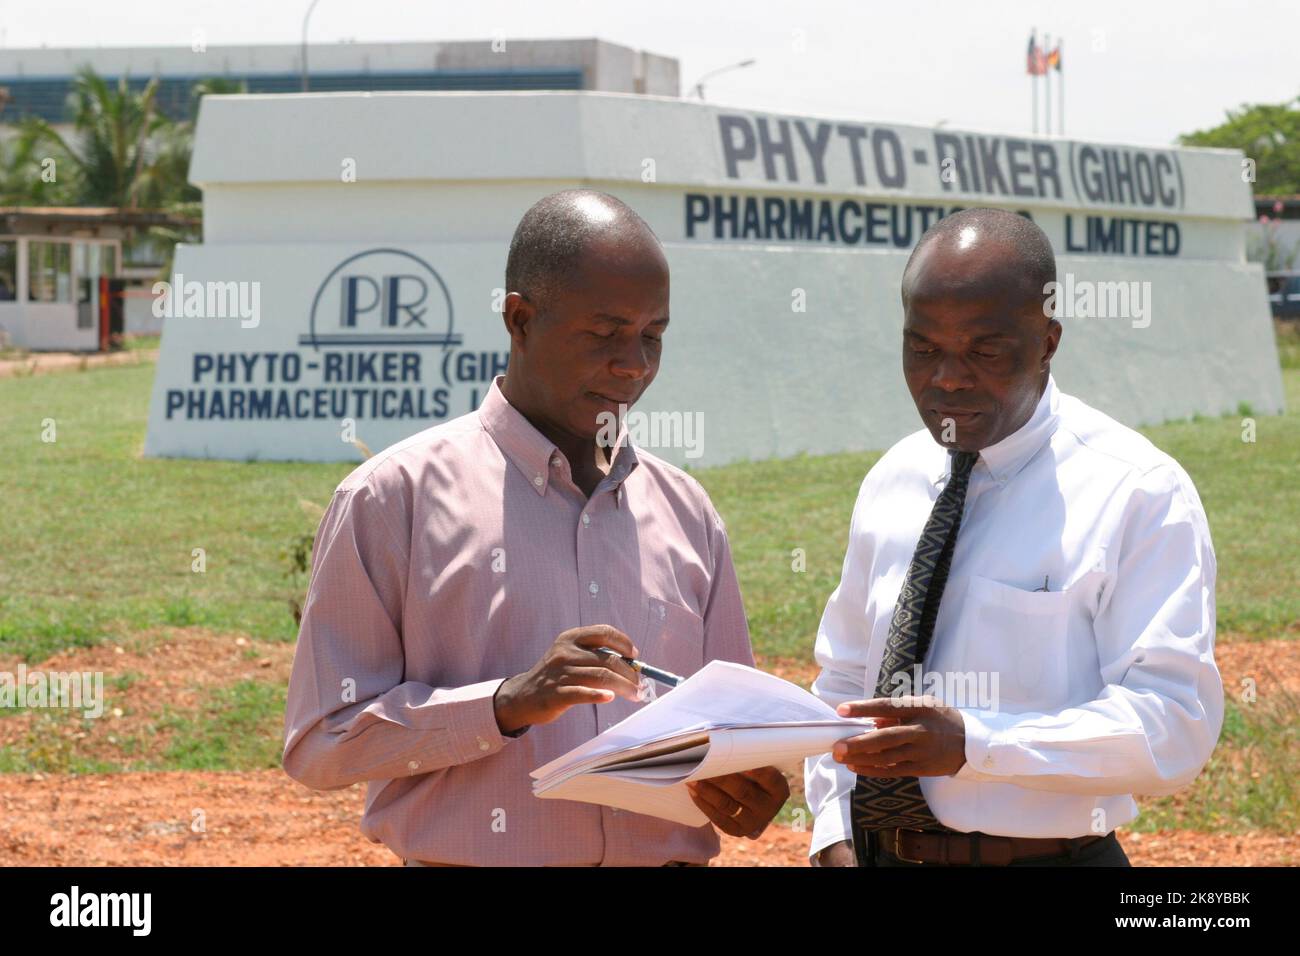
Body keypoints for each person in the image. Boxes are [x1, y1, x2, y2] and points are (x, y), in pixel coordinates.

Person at [283, 188, 788, 866]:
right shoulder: (391, 499)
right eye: (605, 333)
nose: (634, 364)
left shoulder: (687, 511)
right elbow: (321, 742)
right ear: (520, 320)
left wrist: (744, 783)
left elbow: (732, 728)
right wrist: (504, 705)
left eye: (652, 335)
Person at [805, 207, 1223, 867]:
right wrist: (833, 832)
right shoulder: (894, 477)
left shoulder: (1136, 491)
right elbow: (845, 676)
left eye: (985, 350)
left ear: (1047, 341)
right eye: (922, 348)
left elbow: (1174, 724)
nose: (947, 377)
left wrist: (978, 744)